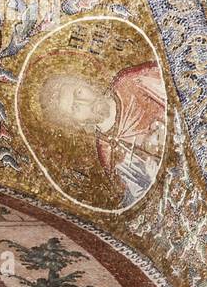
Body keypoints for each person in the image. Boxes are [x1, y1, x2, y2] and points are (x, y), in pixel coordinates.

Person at [37, 62, 167, 207]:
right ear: (78, 123)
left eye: (78, 92)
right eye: (76, 107)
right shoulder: (108, 155)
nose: (86, 102)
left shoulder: (129, 83)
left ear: (88, 83)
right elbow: (143, 198)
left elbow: (171, 87)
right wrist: (152, 177)